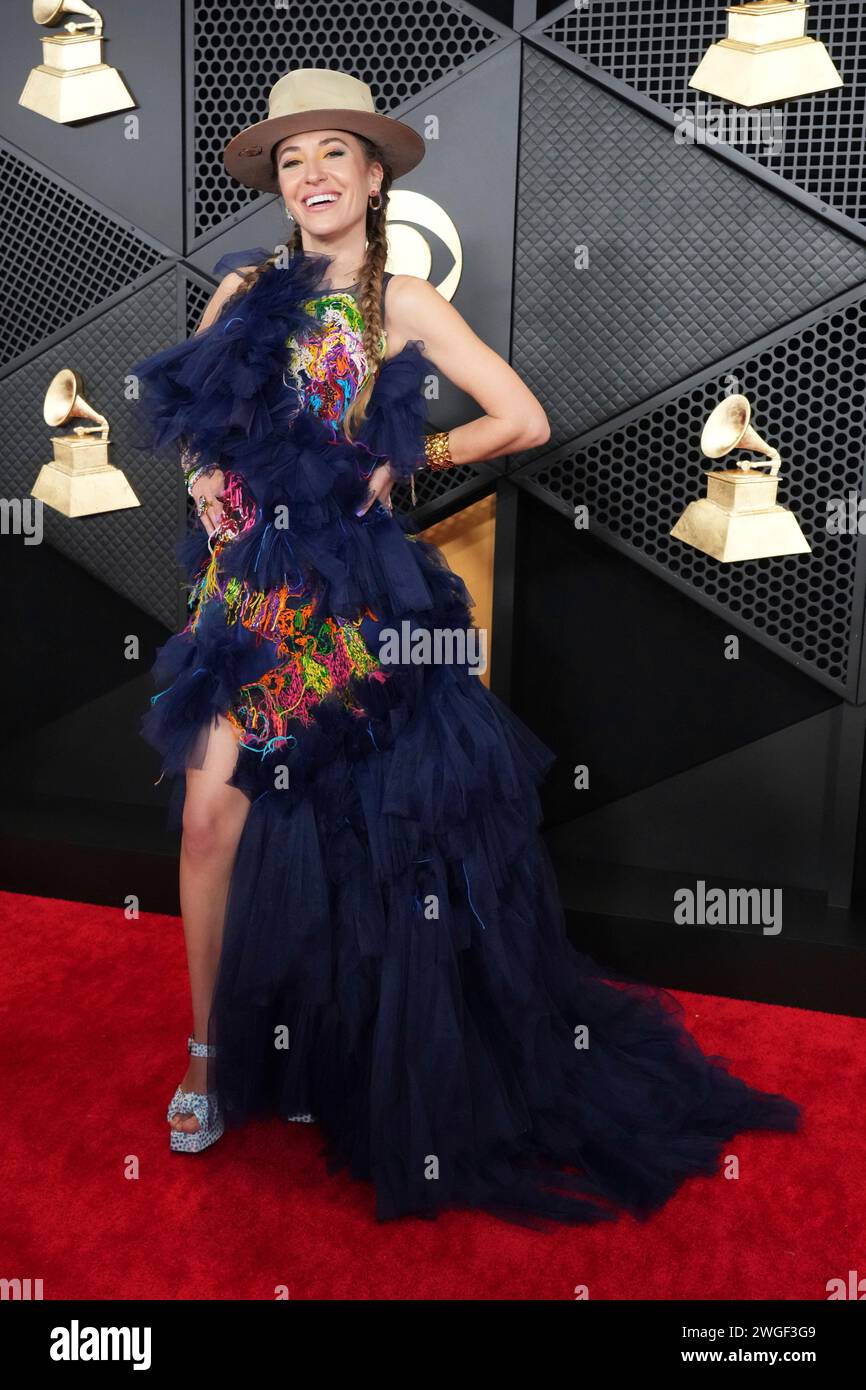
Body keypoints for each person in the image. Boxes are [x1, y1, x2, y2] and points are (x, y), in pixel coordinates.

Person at [130, 67, 801, 1230]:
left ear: (375, 173)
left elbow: (523, 418)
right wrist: (210, 522)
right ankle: (205, 1056)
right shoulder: (239, 288)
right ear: (279, 187)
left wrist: (408, 463)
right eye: (292, 160)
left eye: (334, 152)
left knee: (364, 835)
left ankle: (350, 1050)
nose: (313, 174)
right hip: (245, 593)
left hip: (354, 602)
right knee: (206, 819)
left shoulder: (403, 304)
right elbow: (193, 431)